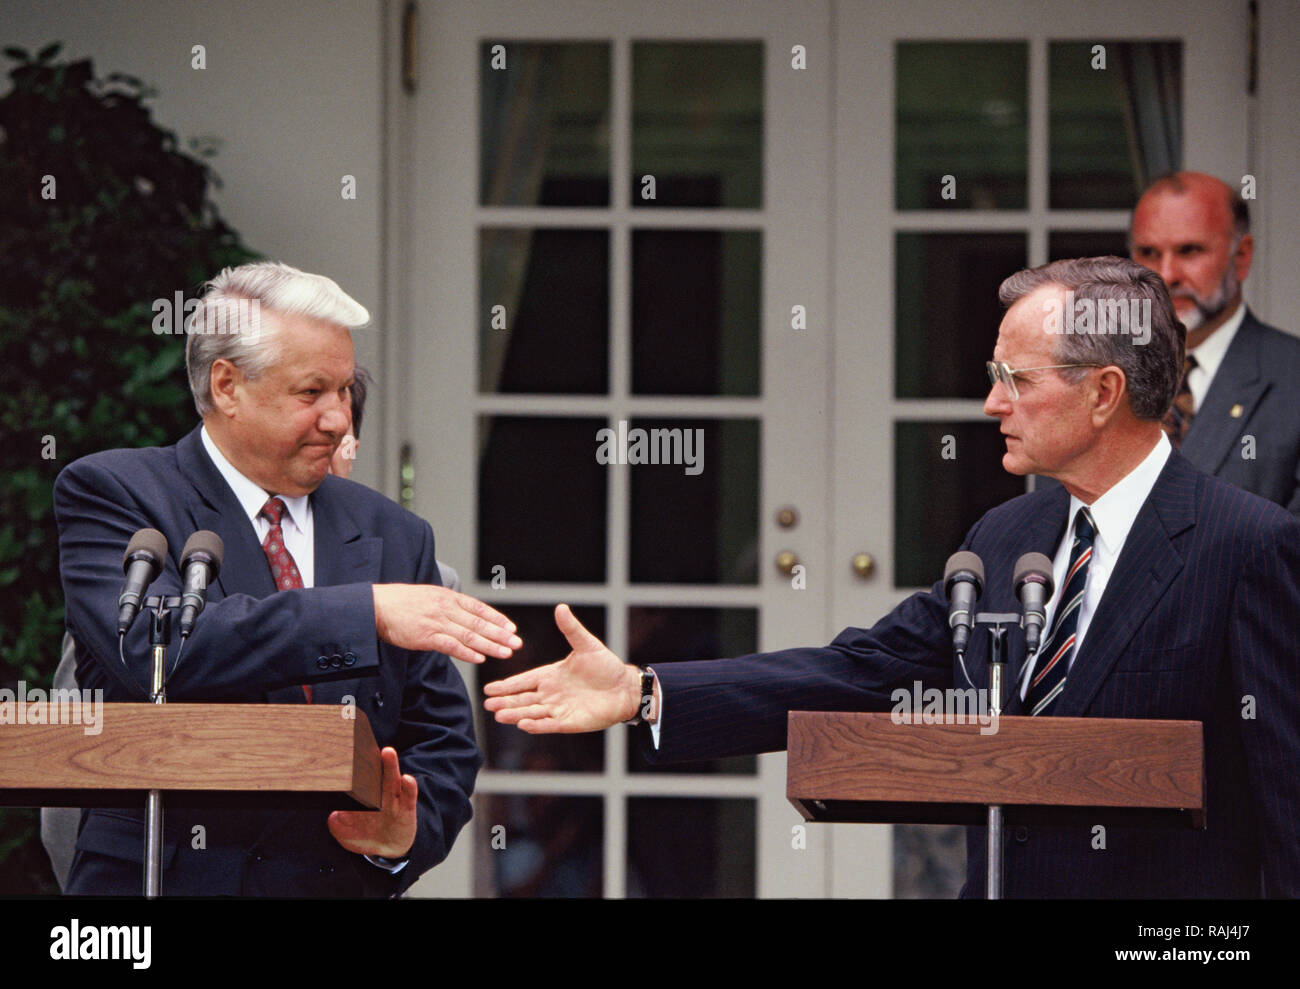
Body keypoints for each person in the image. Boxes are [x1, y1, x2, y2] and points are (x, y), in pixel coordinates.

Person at [485, 256, 1300, 898]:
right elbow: (863, 670)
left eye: (1016, 378)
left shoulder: (1248, 547)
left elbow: (1287, 802)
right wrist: (645, 691)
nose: (991, 403)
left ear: (1104, 393)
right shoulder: (1008, 536)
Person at [55, 261, 521, 896]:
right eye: (312, 393)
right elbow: (150, 648)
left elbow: (442, 742)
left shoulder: (395, 535)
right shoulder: (119, 491)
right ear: (227, 386)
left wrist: (403, 839)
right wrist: (366, 614)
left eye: (345, 390)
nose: (339, 419)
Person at [1129, 171, 1300, 514]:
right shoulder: (1096, 374)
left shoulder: (1291, 376)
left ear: (1241, 257)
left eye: (1189, 250)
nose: (1167, 274)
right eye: (1148, 253)